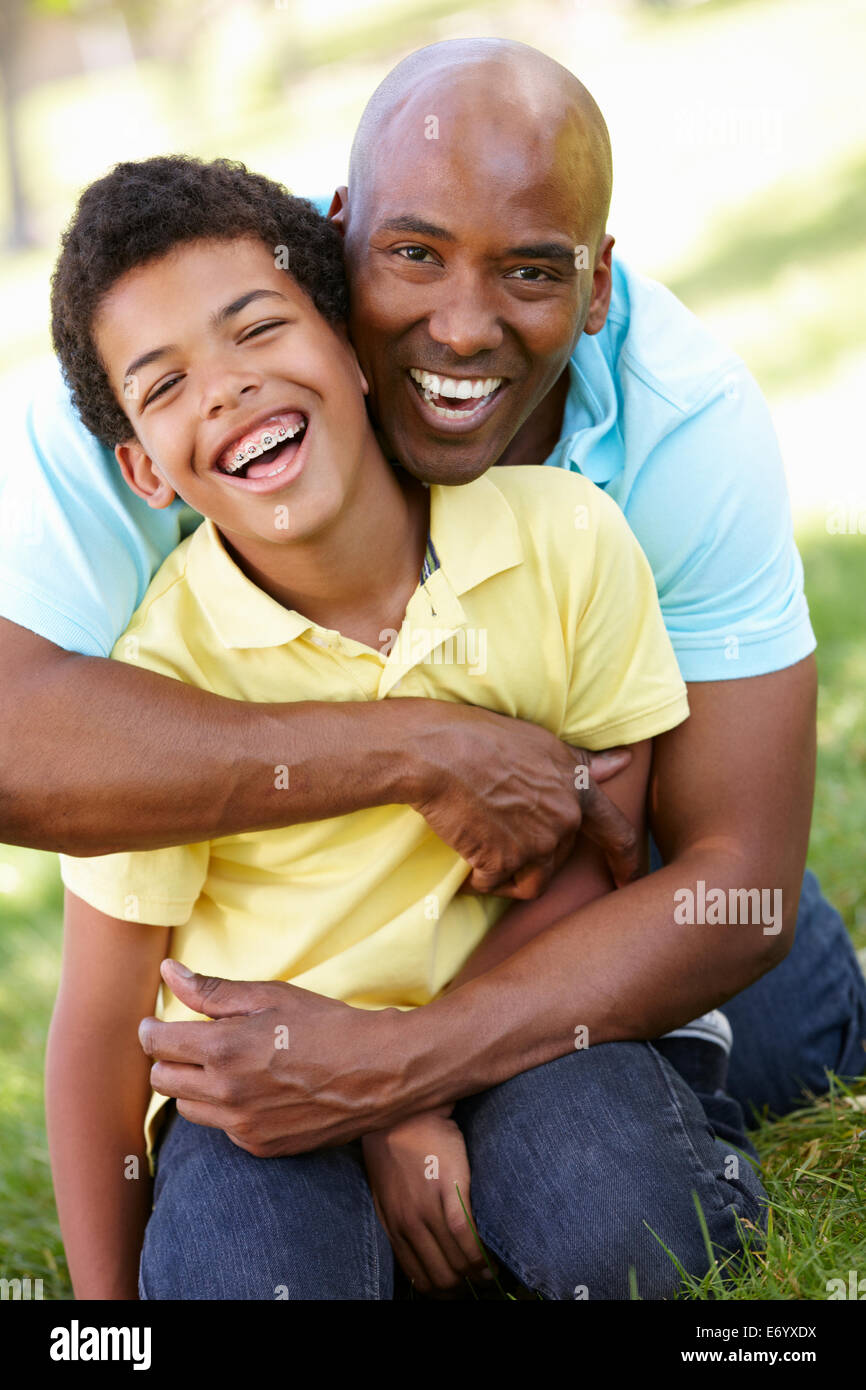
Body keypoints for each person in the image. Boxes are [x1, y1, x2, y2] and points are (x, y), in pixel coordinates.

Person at [3, 36, 864, 1295]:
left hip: (583, 919)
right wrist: (426, 751)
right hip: (288, 1004)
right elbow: (35, 791)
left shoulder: (645, 466)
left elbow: (703, 866)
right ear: (346, 255)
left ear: (595, 285)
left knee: (725, 1063)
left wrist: (400, 1071)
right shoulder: (143, 374)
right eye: (412, 256)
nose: (460, 326)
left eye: (526, 271)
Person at [47, 154, 699, 1300]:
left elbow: (602, 853)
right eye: (166, 385)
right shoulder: (159, 683)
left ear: (348, 343)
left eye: (256, 329)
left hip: (508, 1024)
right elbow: (101, 1031)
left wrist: (405, 1086)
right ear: (146, 470)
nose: (228, 389)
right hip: (252, 1092)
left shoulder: (562, 540)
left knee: (631, 1224)